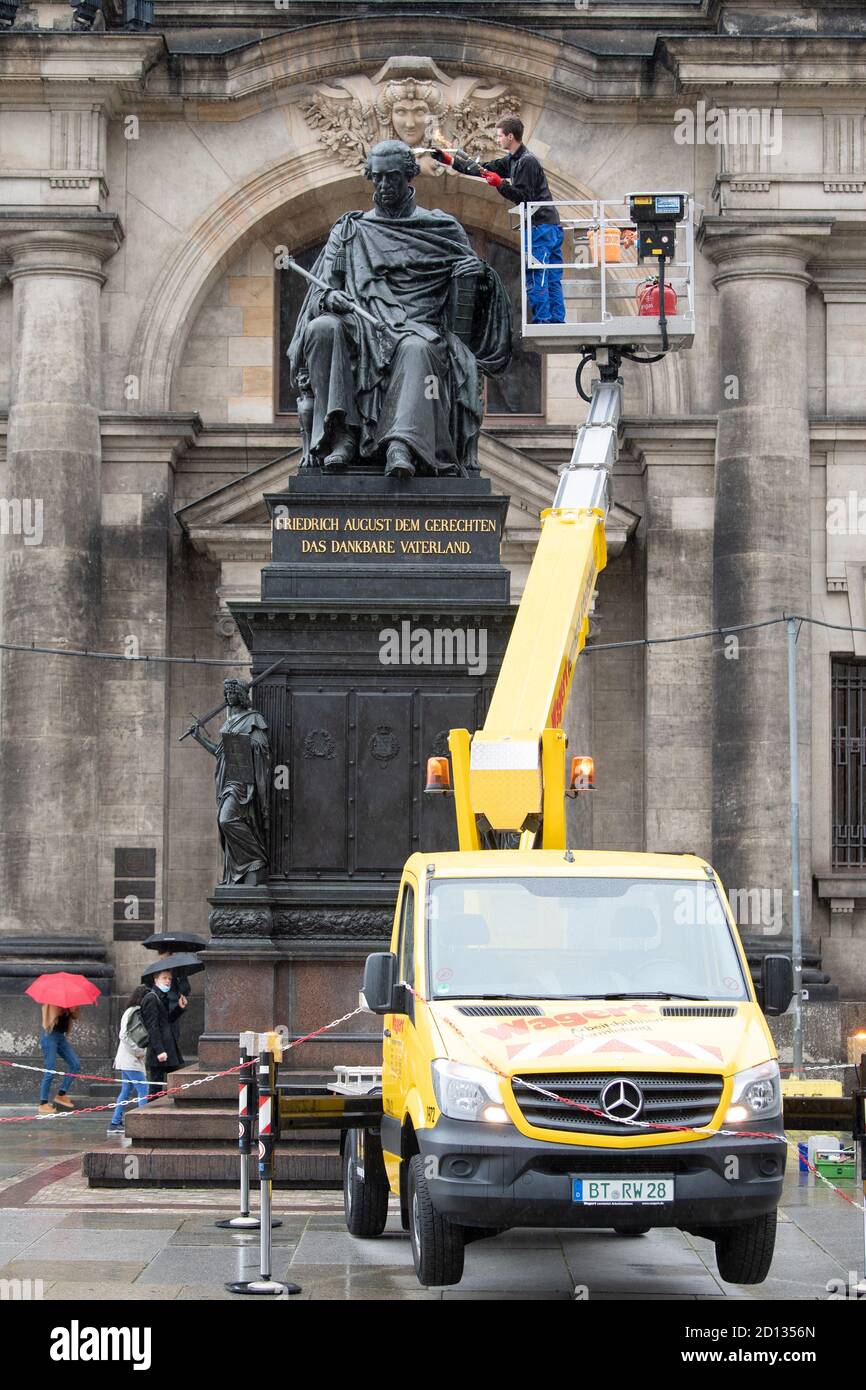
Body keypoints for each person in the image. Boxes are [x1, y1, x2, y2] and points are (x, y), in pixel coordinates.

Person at [288, 139, 512, 479]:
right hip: (360, 325)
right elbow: (321, 291)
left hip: (418, 325)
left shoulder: (441, 228)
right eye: (377, 177)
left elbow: (476, 289)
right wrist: (331, 299)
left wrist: (480, 276)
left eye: (391, 177)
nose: (383, 185)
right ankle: (342, 434)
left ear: (409, 176)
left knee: (416, 348)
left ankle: (401, 444)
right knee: (322, 328)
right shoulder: (350, 231)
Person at [432, 116, 565, 325]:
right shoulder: (513, 160)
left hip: (541, 227)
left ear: (510, 136)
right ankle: (555, 320)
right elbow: (483, 169)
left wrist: (500, 184)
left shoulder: (526, 162)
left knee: (538, 274)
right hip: (548, 225)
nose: (497, 140)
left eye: (500, 136)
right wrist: (451, 161)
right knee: (551, 275)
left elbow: (524, 197)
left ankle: (545, 321)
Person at [107, 985, 150, 1136]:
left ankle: (115, 1122)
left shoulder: (132, 1011)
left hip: (128, 1058)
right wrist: (138, 1051)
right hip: (131, 1058)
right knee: (143, 1089)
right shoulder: (134, 1012)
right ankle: (142, 1122)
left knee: (126, 1091)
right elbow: (124, 1035)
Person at [140, 969, 186, 1096]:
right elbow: (152, 1027)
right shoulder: (152, 998)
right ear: (156, 980)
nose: (168, 981)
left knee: (174, 1084)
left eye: (169, 979)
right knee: (156, 1088)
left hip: (168, 1048)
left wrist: (179, 1008)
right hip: (159, 1051)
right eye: (164, 978)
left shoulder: (162, 997)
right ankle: (151, 1108)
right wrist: (160, 1050)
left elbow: (166, 1021)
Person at [37, 1004, 81, 1116]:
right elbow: (48, 1017)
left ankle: (61, 1094)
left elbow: (76, 1017)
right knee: (50, 1070)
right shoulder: (51, 1003)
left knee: (75, 1064)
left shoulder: (70, 1003)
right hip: (49, 1036)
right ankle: (43, 1103)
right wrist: (62, 1009)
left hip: (60, 1037)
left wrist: (72, 1009)